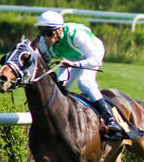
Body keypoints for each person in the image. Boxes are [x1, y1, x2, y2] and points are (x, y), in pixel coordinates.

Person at [35, 10, 125, 138]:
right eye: (43, 33)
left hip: (92, 54)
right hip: (72, 57)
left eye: (49, 33)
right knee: (59, 85)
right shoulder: (44, 43)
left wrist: (74, 65)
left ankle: (110, 119)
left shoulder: (76, 35)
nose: (46, 38)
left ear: (60, 30)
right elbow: (43, 64)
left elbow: (96, 59)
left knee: (85, 82)